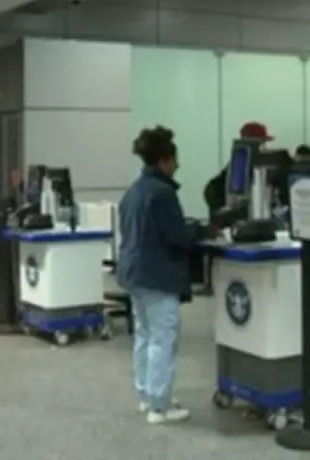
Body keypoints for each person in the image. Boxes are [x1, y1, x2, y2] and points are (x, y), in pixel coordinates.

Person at [118, 125, 206, 425]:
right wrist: (202, 229)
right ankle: (160, 406)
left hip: (134, 274)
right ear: (163, 161)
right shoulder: (163, 193)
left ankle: (147, 395)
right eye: (175, 159)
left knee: (144, 335)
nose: (178, 165)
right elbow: (178, 236)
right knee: (162, 339)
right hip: (157, 276)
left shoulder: (134, 191)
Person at [203, 121, 274, 215]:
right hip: (221, 200)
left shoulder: (240, 157)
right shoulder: (244, 159)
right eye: (262, 142)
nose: (263, 147)